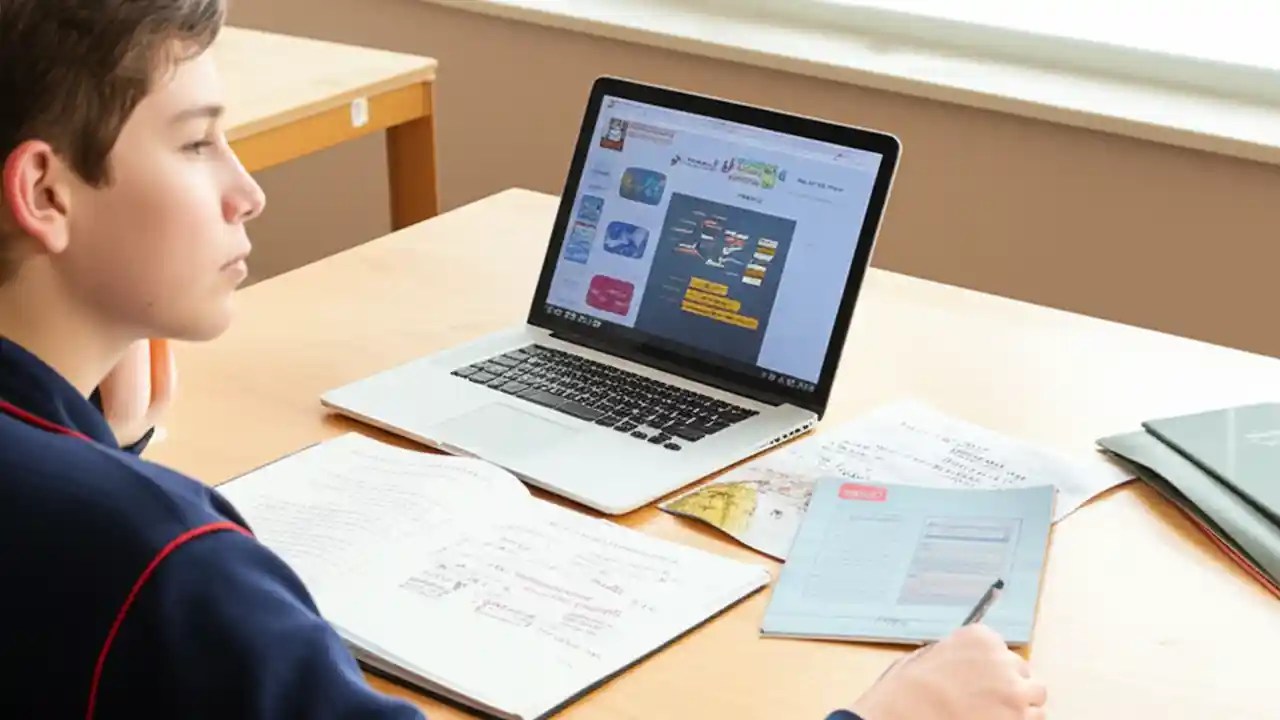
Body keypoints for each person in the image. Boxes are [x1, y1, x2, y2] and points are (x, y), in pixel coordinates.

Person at [0, 1, 1048, 718]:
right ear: (44, 193)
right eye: (195, 142)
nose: (247, 191)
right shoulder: (166, 562)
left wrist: (98, 436)